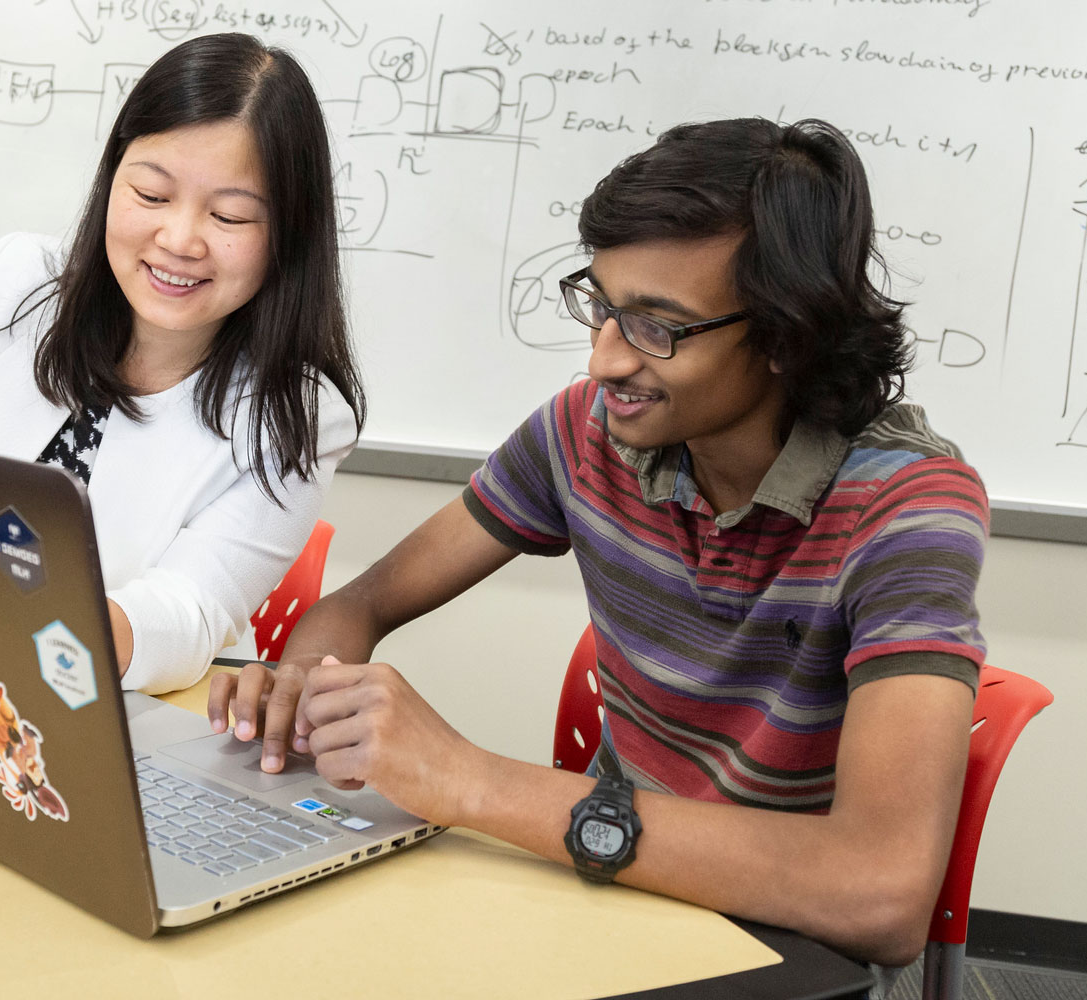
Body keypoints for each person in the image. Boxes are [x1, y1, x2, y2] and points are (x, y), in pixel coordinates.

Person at [209, 118, 986, 977]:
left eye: (657, 327)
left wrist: (469, 781)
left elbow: (878, 895)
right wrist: (300, 693)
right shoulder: (585, 433)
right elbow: (362, 603)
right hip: (610, 889)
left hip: (780, 947)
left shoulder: (907, 510)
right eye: (603, 306)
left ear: (784, 337)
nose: (604, 360)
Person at [0, 33, 364, 694]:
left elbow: (190, 611)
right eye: (152, 196)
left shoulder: (296, 414)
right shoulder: (16, 280)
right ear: (112, 182)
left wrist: (23, 626)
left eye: (229, 215)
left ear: (288, 236)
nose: (180, 240)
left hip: (88, 707)